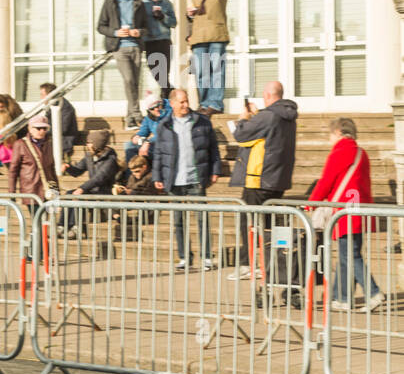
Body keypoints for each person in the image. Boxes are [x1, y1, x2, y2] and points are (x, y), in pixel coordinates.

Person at [308, 118, 384, 313]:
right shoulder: (361, 153)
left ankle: (373, 292)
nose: (330, 138)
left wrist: (312, 202)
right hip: (358, 209)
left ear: (339, 132)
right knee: (346, 255)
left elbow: (326, 181)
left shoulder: (340, 152)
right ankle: (341, 297)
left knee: (350, 255)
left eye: (331, 134)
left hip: (343, 211)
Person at [228, 80, 298, 280]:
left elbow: (241, 135)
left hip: (259, 179)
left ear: (267, 95)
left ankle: (249, 264)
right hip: (278, 179)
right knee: (270, 225)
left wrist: (243, 119)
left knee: (248, 223)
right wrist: (257, 115)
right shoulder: (287, 116)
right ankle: (268, 264)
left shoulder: (269, 116)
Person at [151, 89, 224, 270]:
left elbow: (213, 149)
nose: (185, 105)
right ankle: (184, 257)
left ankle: (206, 257)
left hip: (196, 177)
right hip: (174, 180)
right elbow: (159, 153)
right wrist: (157, 176)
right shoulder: (165, 125)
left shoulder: (202, 122)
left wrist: (215, 170)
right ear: (173, 103)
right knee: (178, 221)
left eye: (186, 101)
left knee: (202, 219)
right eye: (181, 102)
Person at [96, 0, 148, 129]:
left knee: (134, 84)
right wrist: (116, 32)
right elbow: (100, 26)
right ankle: (137, 115)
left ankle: (130, 119)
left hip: (136, 47)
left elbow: (146, 27)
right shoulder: (110, 2)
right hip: (119, 47)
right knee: (129, 80)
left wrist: (138, 32)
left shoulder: (138, 2)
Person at [185, 0, 230, 116]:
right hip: (199, 38)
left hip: (217, 36)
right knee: (202, 72)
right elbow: (197, 3)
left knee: (217, 71)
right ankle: (204, 104)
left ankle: (215, 103)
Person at [62, 128, 120, 236]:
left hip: (105, 192)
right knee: (69, 194)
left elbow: (99, 178)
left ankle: (77, 227)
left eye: (89, 143)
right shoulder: (89, 156)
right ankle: (63, 225)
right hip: (92, 190)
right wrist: (68, 167)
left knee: (79, 196)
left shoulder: (110, 159)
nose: (87, 145)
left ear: (97, 145)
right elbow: (78, 171)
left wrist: (82, 188)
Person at [8, 114, 59, 201]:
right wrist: (12, 193)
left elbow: (51, 170)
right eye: (38, 128)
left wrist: (57, 192)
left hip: (48, 192)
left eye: (44, 128)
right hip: (31, 190)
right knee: (36, 214)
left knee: (47, 214)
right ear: (30, 129)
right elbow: (13, 170)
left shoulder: (48, 144)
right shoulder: (20, 144)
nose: (42, 131)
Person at [143, 0, 177, 98]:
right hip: (150, 41)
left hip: (164, 41)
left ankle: (166, 99)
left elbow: (174, 23)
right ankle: (173, 93)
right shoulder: (143, 3)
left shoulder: (167, 3)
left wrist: (163, 16)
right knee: (156, 74)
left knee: (164, 74)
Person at [38, 82, 79, 158]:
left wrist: (44, 131)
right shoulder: (52, 105)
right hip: (54, 138)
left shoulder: (65, 107)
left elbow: (62, 129)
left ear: (50, 95)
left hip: (65, 140)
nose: (41, 98)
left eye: (42, 95)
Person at [124, 95, 167, 167]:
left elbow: (164, 134)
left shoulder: (168, 115)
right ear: (149, 110)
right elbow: (143, 131)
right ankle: (132, 174)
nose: (156, 109)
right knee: (129, 145)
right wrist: (136, 136)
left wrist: (148, 142)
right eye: (153, 108)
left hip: (164, 144)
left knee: (147, 150)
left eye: (158, 105)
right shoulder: (149, 118)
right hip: (153, 144)